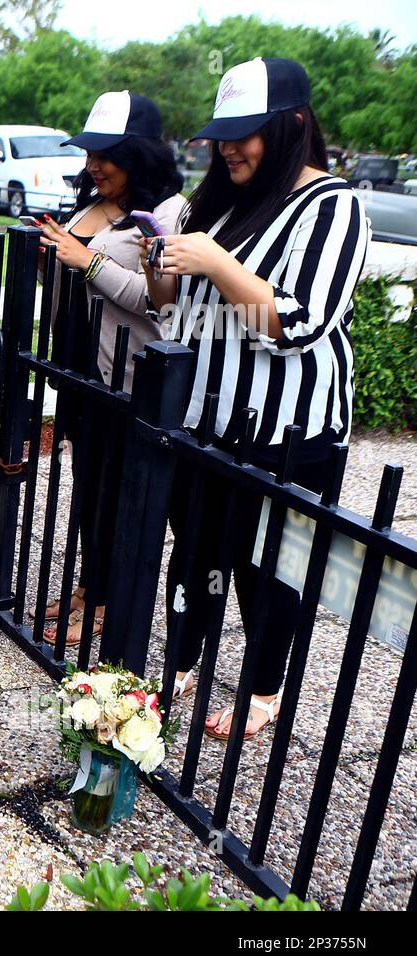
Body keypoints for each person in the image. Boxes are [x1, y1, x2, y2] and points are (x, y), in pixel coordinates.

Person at [141, 58, 370, 739]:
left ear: (293, 125)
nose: (229, 148)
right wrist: (164, 270)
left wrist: (216, 262)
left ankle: (264, 690)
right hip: (211, 422)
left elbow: (298, 323)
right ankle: (183, 659)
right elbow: (175, 316)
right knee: (197, 550)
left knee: (272, 572)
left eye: (247, 133)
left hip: (290, 433)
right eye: (222, 135)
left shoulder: (334, 207)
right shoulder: (222, 203)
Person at [35, 91, 187, 646]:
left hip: (124, 377)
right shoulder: (90, 204)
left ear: (140, 155)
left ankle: (107, 598)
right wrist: (54, 260)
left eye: (108, 155)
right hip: (78, 367)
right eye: (90, 153)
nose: (94, 165)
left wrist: (87, 261)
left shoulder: (167, 214)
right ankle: (89, 585)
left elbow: (161, 303)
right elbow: (73, 282)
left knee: (117, 493)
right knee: (88, 483)